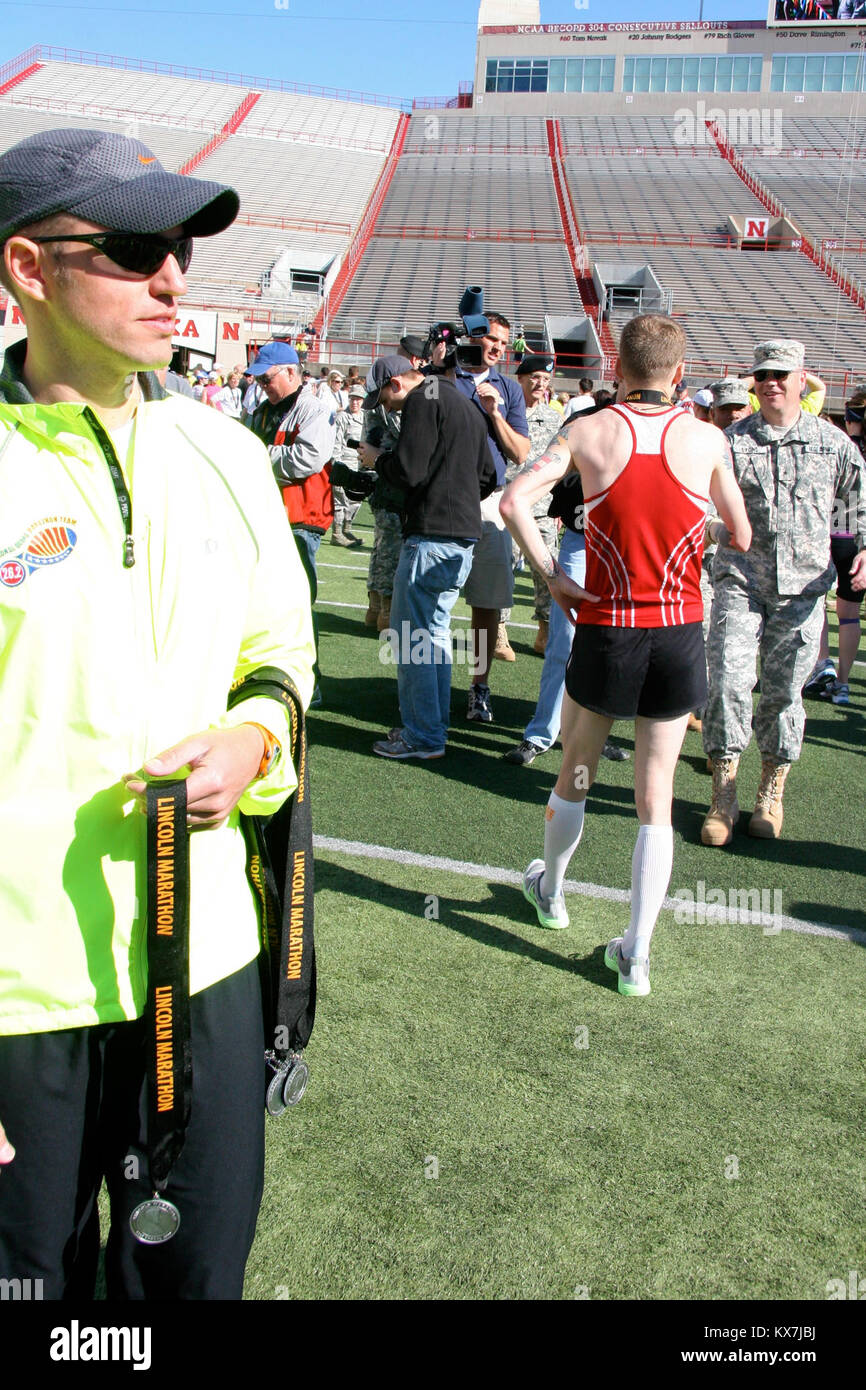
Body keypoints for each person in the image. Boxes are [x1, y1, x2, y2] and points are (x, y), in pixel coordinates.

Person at [0, 127, 315, 1298]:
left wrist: (251, 741)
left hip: (209, 967)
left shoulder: (227, 453)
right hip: (19, 990)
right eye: (135, 249)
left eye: (177, 248)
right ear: (30, 268)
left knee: (189, 1285)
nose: (172, 277)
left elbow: (281, 658)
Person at [501, 314, 750, 996]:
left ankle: (551, 891)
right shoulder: (709, 439)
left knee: (576, 770)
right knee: (657, 796)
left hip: (610, 625)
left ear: (617, 362)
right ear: (679, 371)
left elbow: (515, 500)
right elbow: (744, 532)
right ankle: (635, 954)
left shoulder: (587, 429)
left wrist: (552, 575)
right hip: (678, 630)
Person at [701, 341, 866, 844]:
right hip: (739, 582)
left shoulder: (833, 443)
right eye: (762, 375)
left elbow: (859, 502)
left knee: (783, 694)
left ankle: (771, 788)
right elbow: (696, 504)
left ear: (801, 379)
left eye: (780, 374)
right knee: (727, 681)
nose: (770, 382)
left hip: (802, 590)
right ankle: (723, 791)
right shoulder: (728, 442)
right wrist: (714, 532)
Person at [360, 356, 495, 760]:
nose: (386, 407)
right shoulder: (461, 400)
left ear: (396, 383)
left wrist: (376, 460)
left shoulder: (423, 399)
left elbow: (409, 470)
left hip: (432, 535)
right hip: (463, 535)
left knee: (413, 639)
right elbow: (489, 475)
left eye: (384, 397)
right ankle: (430, 727)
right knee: (431, 637)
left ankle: (423, 735)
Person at [246, 341, 335, 704]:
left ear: (290, 373)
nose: (262, 385)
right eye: (260, 379)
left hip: (300, 519)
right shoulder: (261, 410)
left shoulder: (315, 409)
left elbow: (308, 459)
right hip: (266, 515)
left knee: (298, 604)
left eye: (267, 378)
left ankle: (308, 681)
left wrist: (255, 453)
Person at [454, 312, 529, 724]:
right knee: (436, 597)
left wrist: (494, 413)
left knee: (487, 604)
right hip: (444, 500)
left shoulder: (508, 389)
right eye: (492, 340)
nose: (499, 348)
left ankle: (479, 686)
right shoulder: (444, 377)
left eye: (504, 342)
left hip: (489, 501)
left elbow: (520, 453)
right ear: (472, 339)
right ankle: (425, 680)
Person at [803, 385, 866, 707]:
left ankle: (822, 664)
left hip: (835, 529)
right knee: (850, 614)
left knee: (817, 602)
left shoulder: (843, 447)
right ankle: (841, 684)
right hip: (855, 537)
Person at [330, 384, 366, 548]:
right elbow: (337, 441)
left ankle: (347, 529)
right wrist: (336, 463)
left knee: (355, 499)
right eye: (352, 399)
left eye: (358, 399)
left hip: (358, 463)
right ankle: (336, 533)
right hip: (344, 461)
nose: (355, 403)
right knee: (340, 499)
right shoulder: (343, 417)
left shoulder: (365, 417)